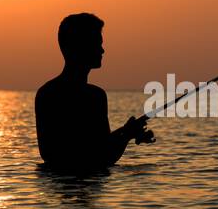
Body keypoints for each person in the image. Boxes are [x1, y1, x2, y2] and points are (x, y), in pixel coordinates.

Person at [35, 13, 154, 173]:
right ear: (78, 47)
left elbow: (97, 149)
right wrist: (125, 135)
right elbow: (99, 156)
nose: (102, 50)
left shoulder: (46, 93)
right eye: (96, 44)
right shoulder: (93, 97)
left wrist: (126, 133)